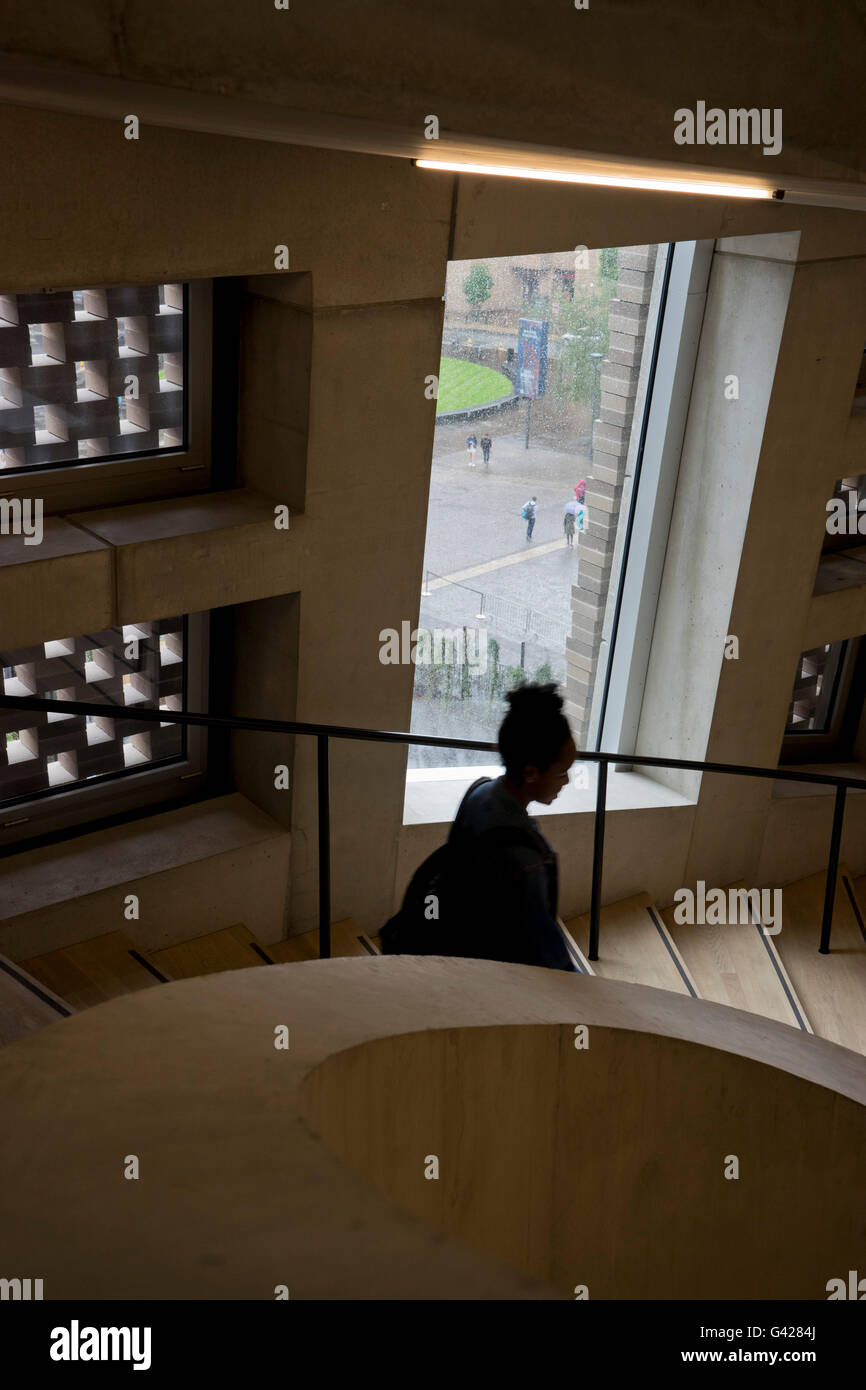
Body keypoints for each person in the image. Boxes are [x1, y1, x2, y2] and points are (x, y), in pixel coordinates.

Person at [446, 684, 579, 972]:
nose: (566, 781)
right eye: (561, 771)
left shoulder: (479, 792)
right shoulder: (525, 859)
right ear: (531, 772)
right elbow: (546, 950)